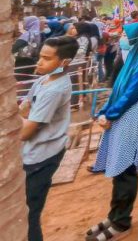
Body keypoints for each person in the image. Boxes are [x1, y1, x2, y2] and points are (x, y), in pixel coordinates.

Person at [85, 23, 138, 241]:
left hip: (133, 115)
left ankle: (122, 222)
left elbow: (132, 94)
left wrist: (111, 114)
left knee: (126, 168)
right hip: (123, 114)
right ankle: (114, 215)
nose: (123, 38)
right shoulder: (135, 57)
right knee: (119, 166)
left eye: (126, 35)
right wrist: (105, 110)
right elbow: (119, 89)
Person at [20, 36, 78, 241]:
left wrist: (20, 122)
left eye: (46, 58)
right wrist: (24, 118)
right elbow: (25, 107)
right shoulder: (43, 79)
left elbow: (25, 132)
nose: (39, 62)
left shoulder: (55, 89)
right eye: (40, 57)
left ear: (64, 62)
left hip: (41, 156)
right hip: (34, 150)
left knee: (29, 214)